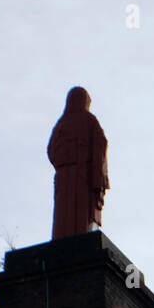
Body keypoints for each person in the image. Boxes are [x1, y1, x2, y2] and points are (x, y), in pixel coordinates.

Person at [47, 87, 109, 239]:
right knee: (79, 212)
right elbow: (100, 145)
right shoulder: (89, 120)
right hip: (81, 175)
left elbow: (51, 149)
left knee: (66, 212)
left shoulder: (61, 124)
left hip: (66, 176)